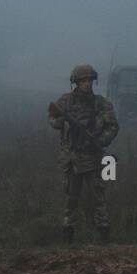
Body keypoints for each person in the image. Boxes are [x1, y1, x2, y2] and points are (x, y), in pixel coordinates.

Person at [47, 64, 119, 244]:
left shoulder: (101, 104)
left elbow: (113, 126)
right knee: (70, 200)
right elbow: (53, 119)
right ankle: (67, 237)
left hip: (94, 158)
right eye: (83, 81)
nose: (87, 84)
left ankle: (103, 237)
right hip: (72, 159)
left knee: (99, 198)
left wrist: (100, 141)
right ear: (76, 83)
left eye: (89, 80)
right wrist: (63, 119)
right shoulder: (65, 101)